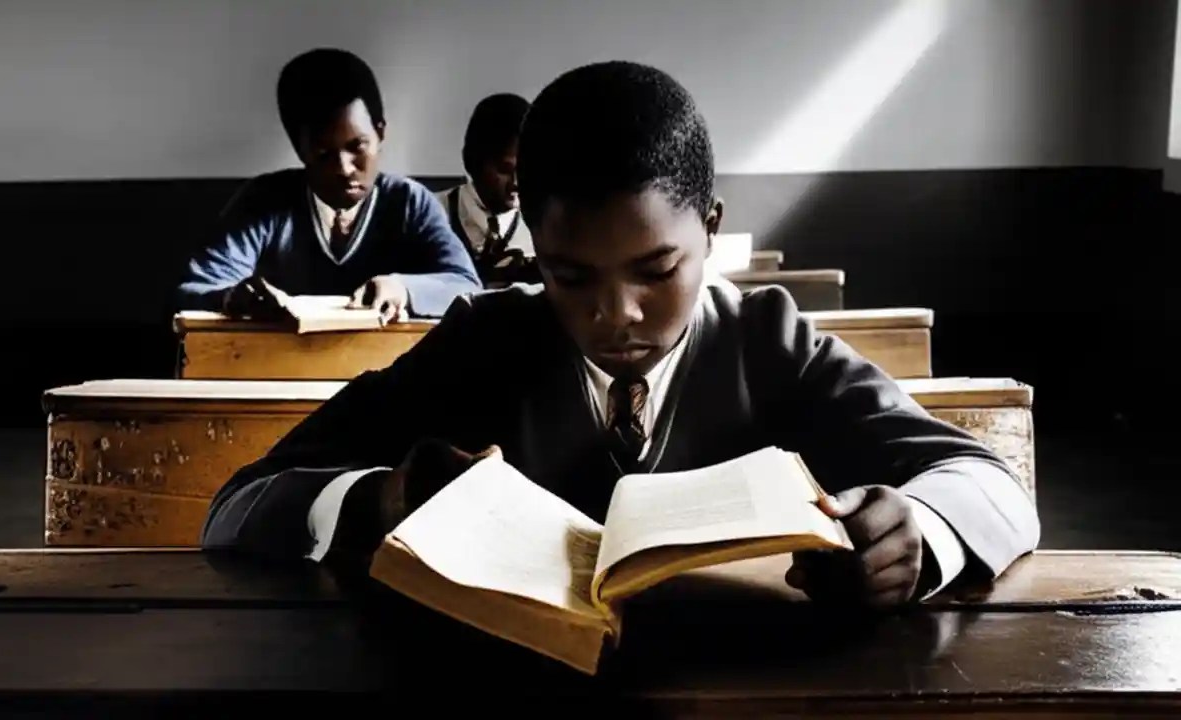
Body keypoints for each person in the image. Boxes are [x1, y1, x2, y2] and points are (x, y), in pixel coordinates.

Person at [201, 60, 1039, 607]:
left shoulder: (770, 343)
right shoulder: (483, 341)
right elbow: (235, 506)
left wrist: (920, 535)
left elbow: (989, 481)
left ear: (710, 229)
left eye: (654, 270)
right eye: (570, 277)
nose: (617, 315)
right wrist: (385, 500)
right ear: (533, 244)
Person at [175, 48, 481, 323]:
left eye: (358, 146)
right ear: (299, 149)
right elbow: (194, 288)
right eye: (323, 154)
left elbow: (465, 285)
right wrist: (230, 298)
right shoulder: (264, 200)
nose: (344, 168)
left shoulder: (410, 202)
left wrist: (402, 288)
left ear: (380, 133)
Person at [435, 93, 538, 287]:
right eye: (504, 170)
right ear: (474, 162)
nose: (517, 182)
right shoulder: (430, 215)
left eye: (525, 168)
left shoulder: (543, 226)